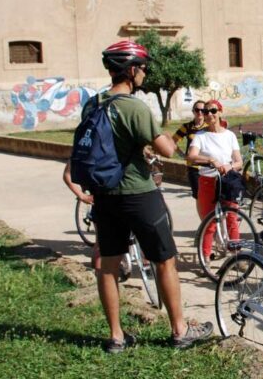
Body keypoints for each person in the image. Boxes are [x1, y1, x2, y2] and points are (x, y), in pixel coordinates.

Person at [66, 40, 212, 353]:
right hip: (139, 194)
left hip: (105, 195)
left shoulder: (93, 104)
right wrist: (147, 146)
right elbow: (168, 149)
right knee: (164, 260)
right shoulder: (134, 107)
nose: (145, 73)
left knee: (108, 264)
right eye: (143, 68)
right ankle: (179, 329)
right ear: (132, 71)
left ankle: (116, 336)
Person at [186, 100, 243, 261]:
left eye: (213, 111)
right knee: (209, 222)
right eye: (205, 112)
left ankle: (237, 255)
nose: (209, 114)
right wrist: (210, 160)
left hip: (227, 181)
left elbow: (238, 161)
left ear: (220, 112)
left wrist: (229, 166)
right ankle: (205, 258)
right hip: (208, 181)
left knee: (232, 217)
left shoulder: (229, 135)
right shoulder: (200, 136)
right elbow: (191, 157)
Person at [173, 100, 208, 214]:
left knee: (210, 196)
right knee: (199, 197)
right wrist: (182, 154)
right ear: (193, 111)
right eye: (197, 110)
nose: (200, 112)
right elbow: (173, 141)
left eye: (202, 110)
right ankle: (204, 222)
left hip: (208, 166)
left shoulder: (209, 127)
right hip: (193, 167)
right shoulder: (187, 127)